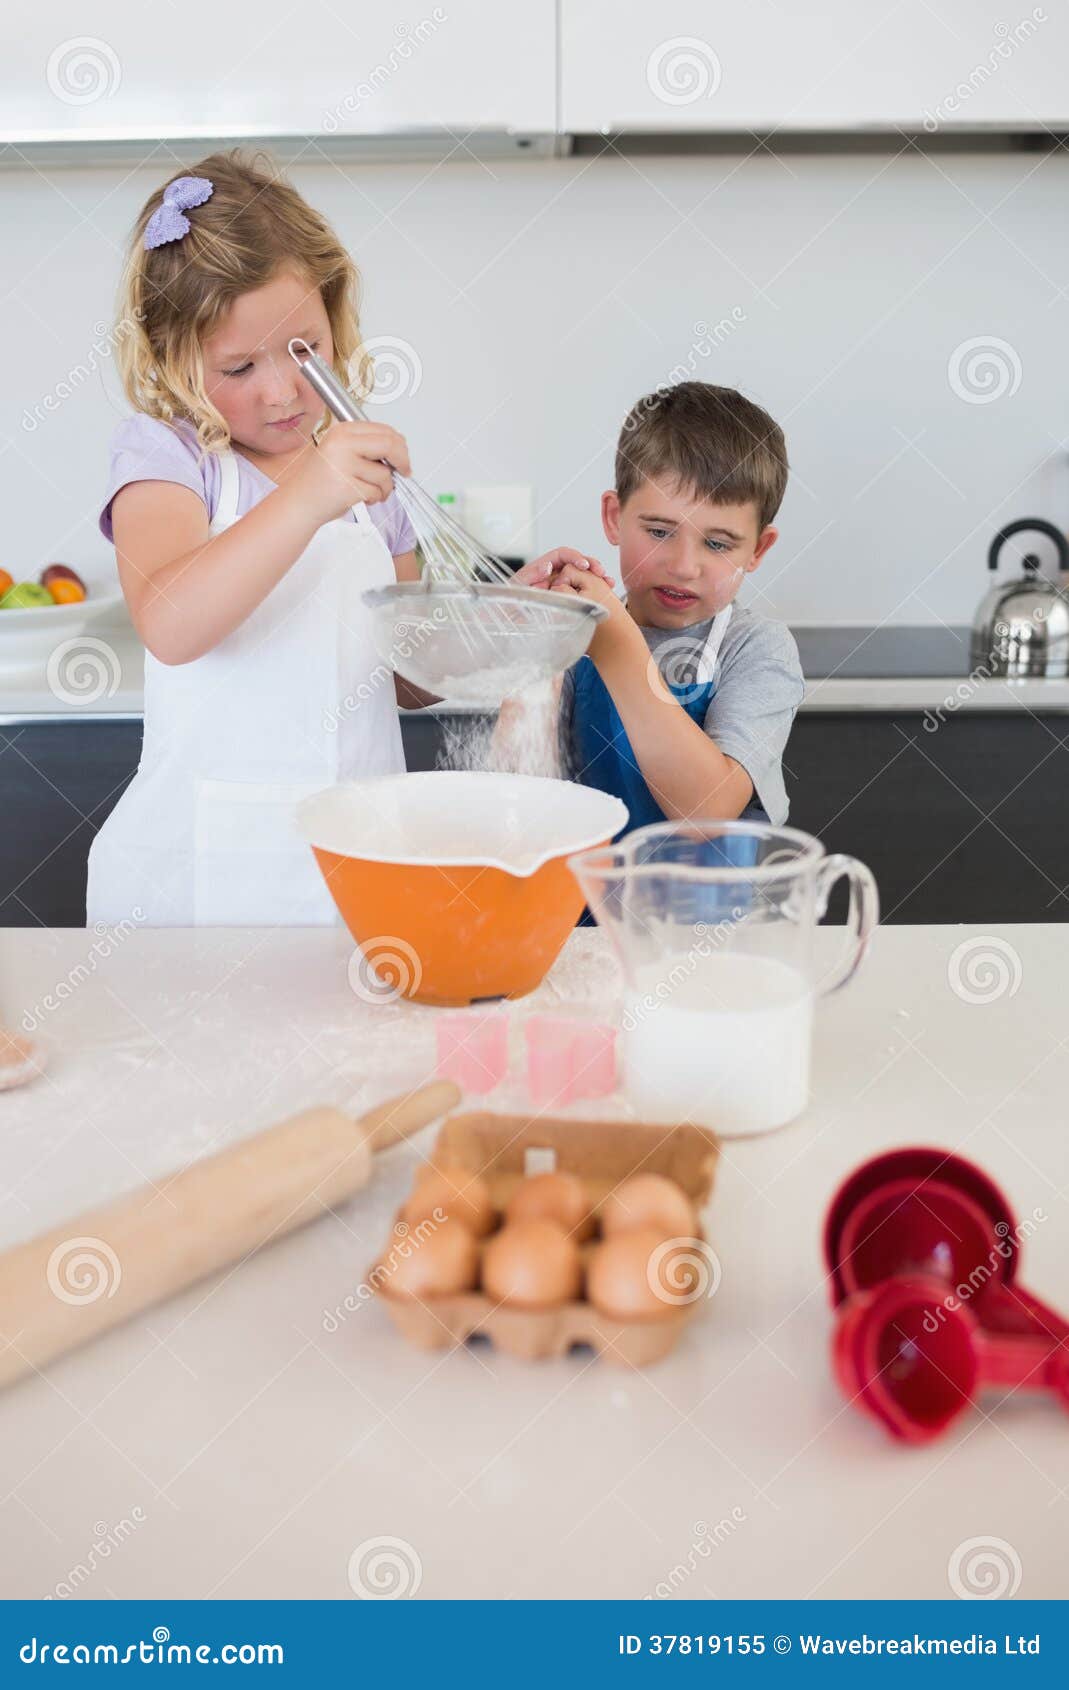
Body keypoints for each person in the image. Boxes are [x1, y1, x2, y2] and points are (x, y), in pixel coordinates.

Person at [88, 150, 594, 927]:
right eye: (238, 365)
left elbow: (403, 674)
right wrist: (310, 493)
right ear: (171, 355)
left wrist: (501, 622)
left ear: (336, 318)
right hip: (193, 887)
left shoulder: (362, 478)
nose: (282, 390)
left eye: (304, 350)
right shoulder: (170, 456)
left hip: (352, 873)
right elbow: (170, 622)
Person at [550, 381, 804, 837]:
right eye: (660, 532)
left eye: (717, 543)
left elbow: (705, 813)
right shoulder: (572, 633)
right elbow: (520, 784)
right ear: (614, 518)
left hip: (710, 906)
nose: (684, 567)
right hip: (585, 904)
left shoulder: (756, 649)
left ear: (758, 549)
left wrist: (616, 645)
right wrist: (531, 637)